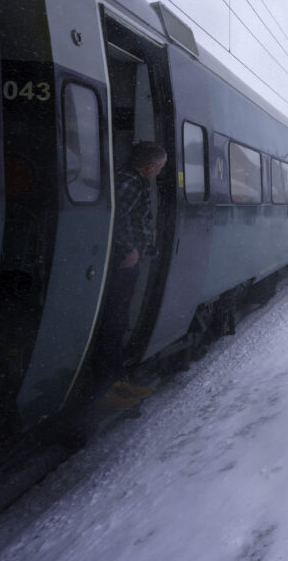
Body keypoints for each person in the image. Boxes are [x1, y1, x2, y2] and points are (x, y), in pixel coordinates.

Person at [94, 141, 168, 410]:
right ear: (150, 166)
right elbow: (114, 217)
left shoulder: (134, 181)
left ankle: (116, 380)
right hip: (122, 262)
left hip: (126, 261)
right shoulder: (129, 182)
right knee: (113, 322)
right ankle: (108, 385)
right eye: (160, 167)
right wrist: (128, 249)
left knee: (118, 320)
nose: (159, 172)